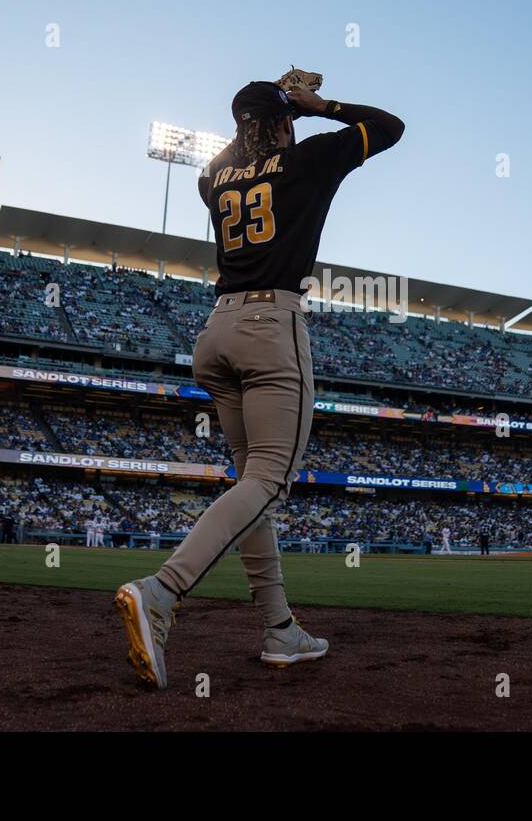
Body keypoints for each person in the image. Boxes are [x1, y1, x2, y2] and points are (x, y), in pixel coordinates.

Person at [115, 77, 404, 690]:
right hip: (271, 325)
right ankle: (161, 592)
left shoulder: (212, 177)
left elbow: (230, 159)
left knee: (253, 487)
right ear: (286, 120)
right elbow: (389, 127)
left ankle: (280, 629)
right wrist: (318, 105)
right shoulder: (308, 155)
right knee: (270, 482)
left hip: (215, 332)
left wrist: (263, 108)